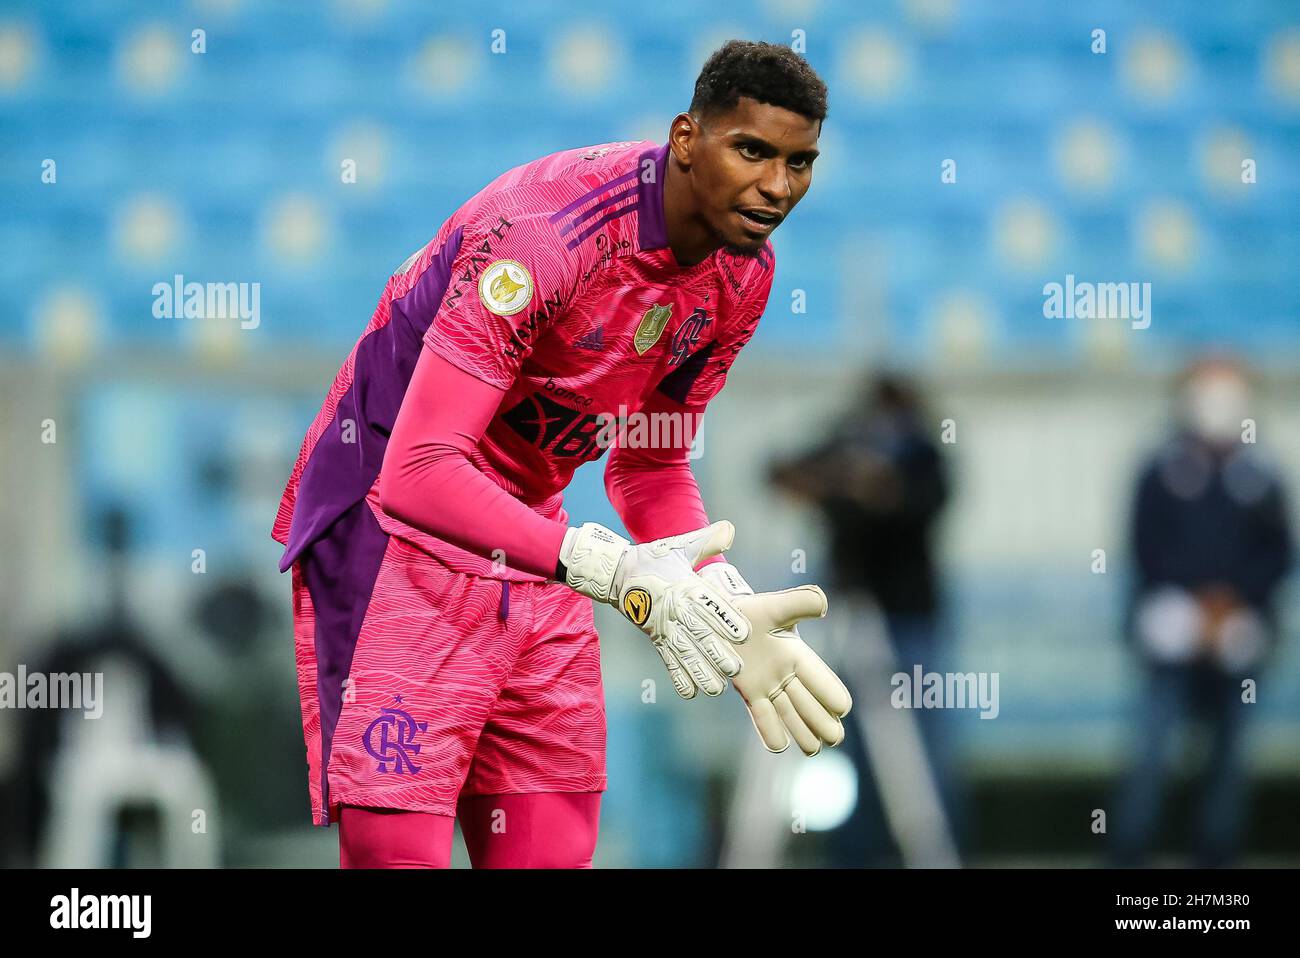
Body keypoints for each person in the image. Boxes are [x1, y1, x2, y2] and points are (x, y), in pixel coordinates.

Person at [271, 41, 852, 869]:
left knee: (549, 854)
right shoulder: (547, 234)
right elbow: (419, 469)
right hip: (390, 529)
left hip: (534, 539)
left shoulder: (743, 273)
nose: (778, 187)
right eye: (752, 150)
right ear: (687, 137)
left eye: (801, 162)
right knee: (402, 858)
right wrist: (613, 572)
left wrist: (710, 589)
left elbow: (649, 463)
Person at [1111, 356, 1294, 867]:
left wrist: (1232, 602)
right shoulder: (1161, 469)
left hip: (1239, 635)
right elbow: (1147, 549)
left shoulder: (1261, 475)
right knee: (1151, 752)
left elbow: (1275, 554)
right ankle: (1127, 854)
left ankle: (1216, 865)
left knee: (1229, 761)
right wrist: (1194, 604)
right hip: (1170, 632)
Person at [770, 374, 960, 865]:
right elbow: (780, 472)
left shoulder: (924, 453)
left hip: (907, 619)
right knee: (845, 742)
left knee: (920, 754)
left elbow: (918, 502)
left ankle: (935, 852)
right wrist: (842, 480)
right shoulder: (845, 442)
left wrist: (869, 487)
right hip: (843, 613)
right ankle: (853, 856)